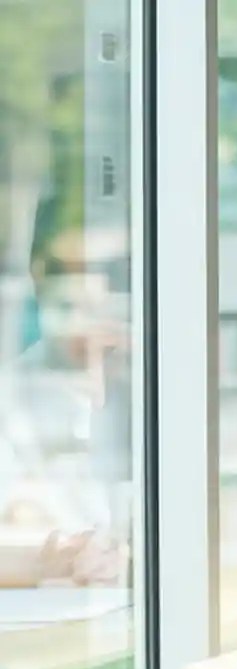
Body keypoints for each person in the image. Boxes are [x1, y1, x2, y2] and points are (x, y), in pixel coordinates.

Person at [0, 194, 131, 587]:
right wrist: (49, 558)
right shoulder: (14, 390)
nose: (82, 327)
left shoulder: (149, 384)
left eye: (96, 306)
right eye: (67, 307)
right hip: (54, 602)